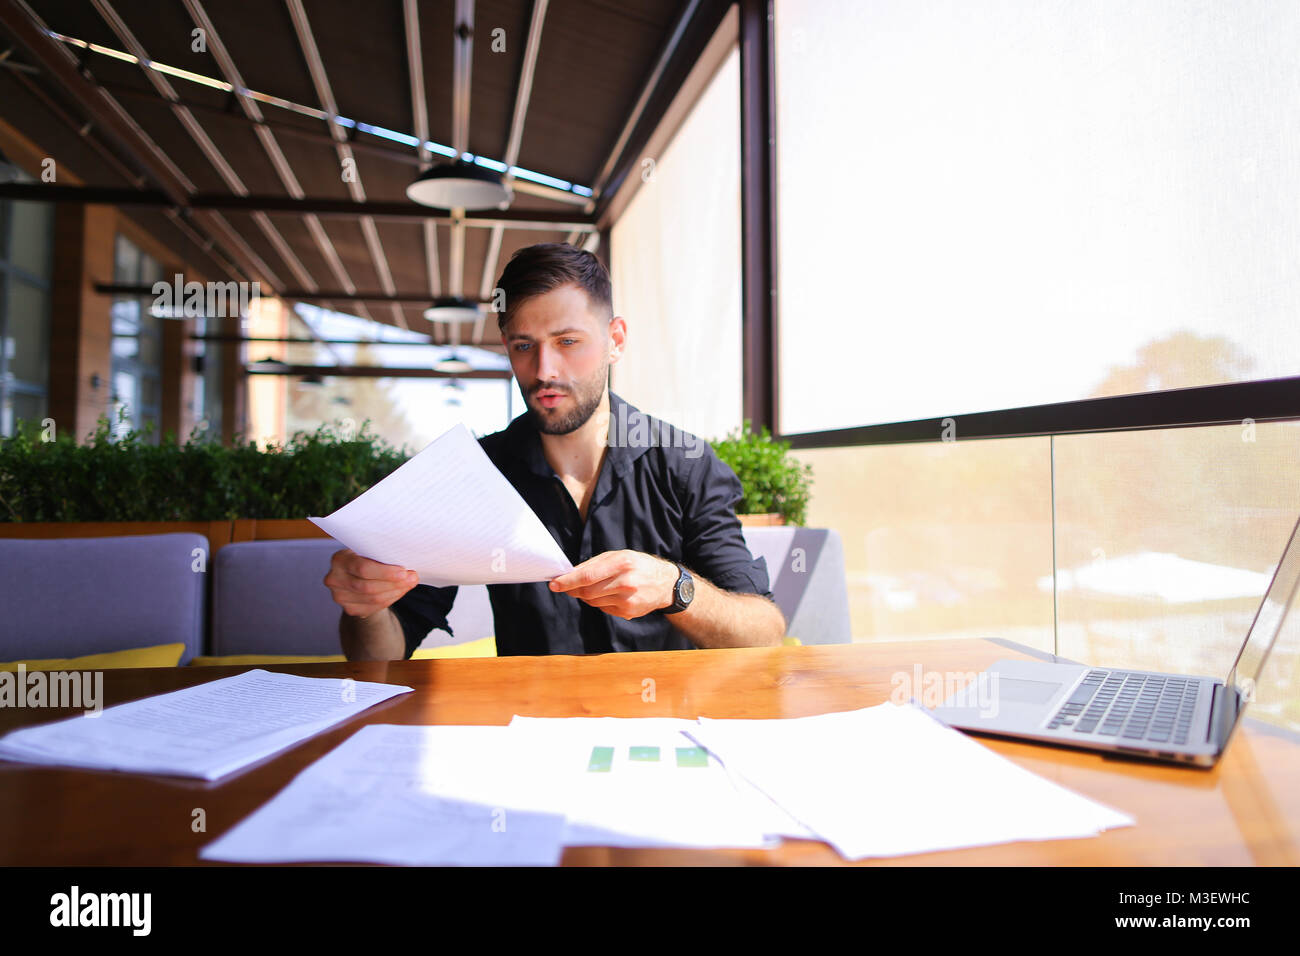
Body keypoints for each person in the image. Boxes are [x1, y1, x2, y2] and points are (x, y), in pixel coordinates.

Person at [326, 242, 786, 659]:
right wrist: (365, 608)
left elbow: (764, 633)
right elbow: (380, 657)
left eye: (568, 342)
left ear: (615, 341)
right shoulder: (478, 473)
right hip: (529, 727)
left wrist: (675, 587)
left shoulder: (685, 465)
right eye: (524, 346)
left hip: (665, 726)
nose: (544, 370)